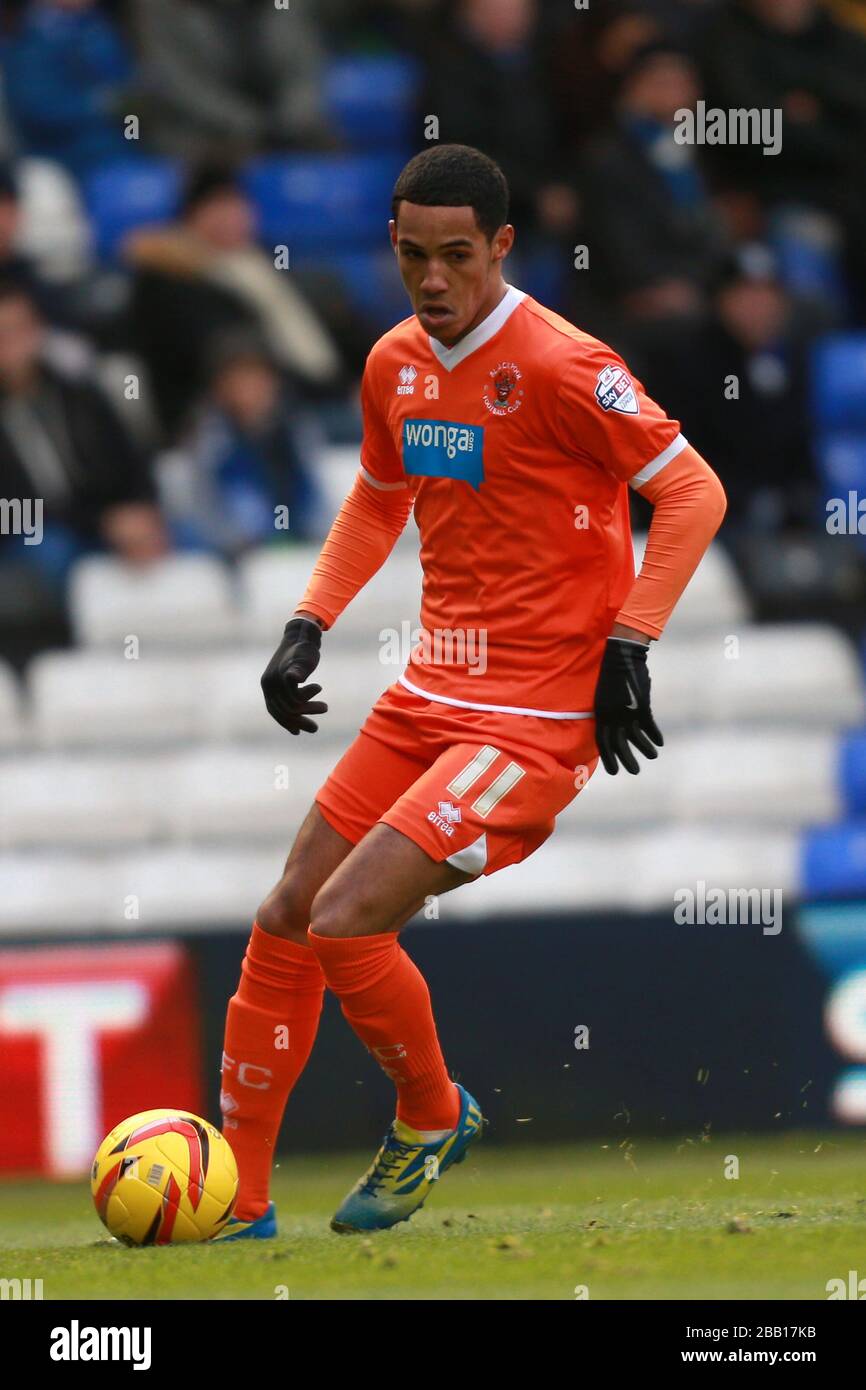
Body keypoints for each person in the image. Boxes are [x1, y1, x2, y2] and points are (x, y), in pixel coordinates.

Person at [214, 144, 726, 1240]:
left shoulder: (561, 364)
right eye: (411, 255)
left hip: (537, 718)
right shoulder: (392, 361)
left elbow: (690, 491)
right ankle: (242, 1204)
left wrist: (629, 645)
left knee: (347, 919)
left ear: (500, 246)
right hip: (427, 692)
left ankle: (432, 1115)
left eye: (456, 255)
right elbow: (376, 495)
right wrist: (308, 623)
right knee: (285, 917)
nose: (431, 278)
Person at [0, 278, 166, 596]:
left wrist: (141, 510)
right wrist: (101, 522)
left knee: (186, 536)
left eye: (18, 329)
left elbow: (131, 458)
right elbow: (12, 513)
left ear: (38, 331)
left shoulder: (79, 395)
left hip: (108, 521)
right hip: (35, 533)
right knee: (51, 548)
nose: (11, 343)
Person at [160, 334, 323, 556]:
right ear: (219, 387)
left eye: (257, 379)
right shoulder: (207, 438)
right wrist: (237, 543)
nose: (249, 390)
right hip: (232, 554)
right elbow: (201, 505)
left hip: (297, 546)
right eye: (238, 380)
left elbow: (314, 492)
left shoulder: (296, 429)